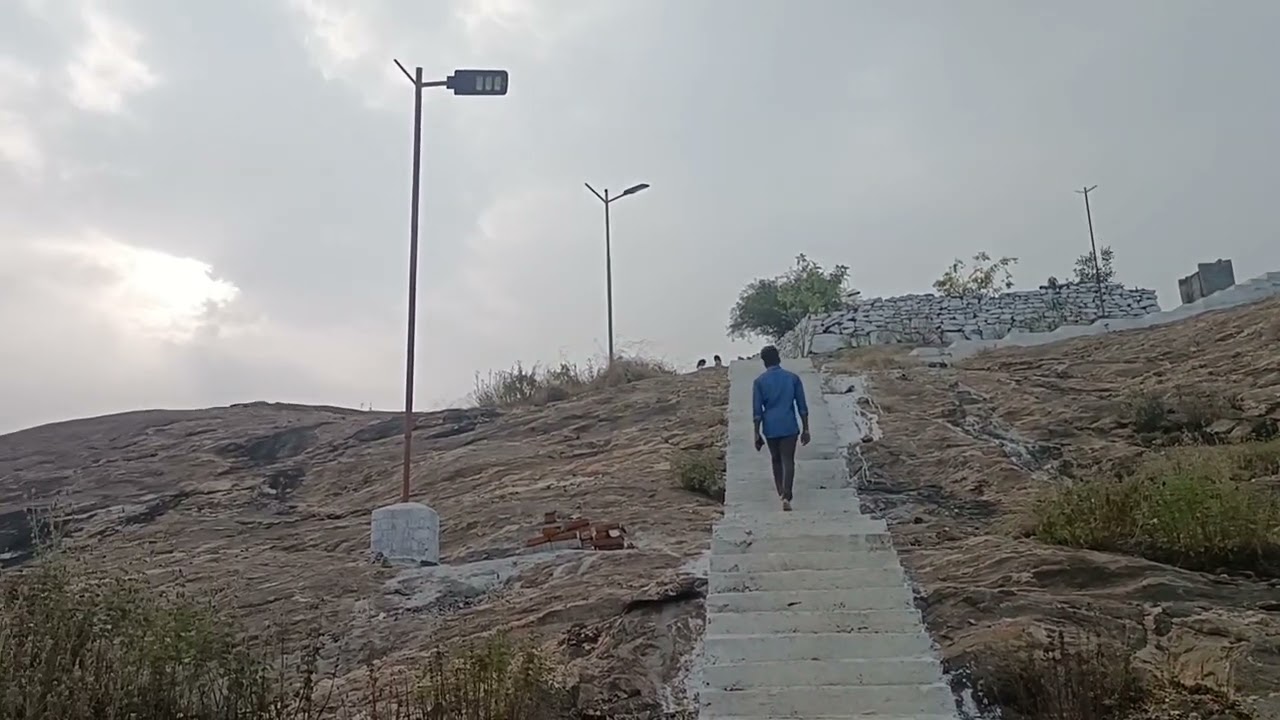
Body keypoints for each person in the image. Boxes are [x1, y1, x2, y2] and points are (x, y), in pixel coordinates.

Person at [751, 345, 810, 511]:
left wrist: (756, 433)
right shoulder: (792, 378)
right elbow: (802, 406)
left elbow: (757, 411)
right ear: (779, 358)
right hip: (789, 425)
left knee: (775, 460)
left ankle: (780, 494)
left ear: (764, 362)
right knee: (788, 460)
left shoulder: (759, 382)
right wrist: (806, 429)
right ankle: (787, 495)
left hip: (770, 427)